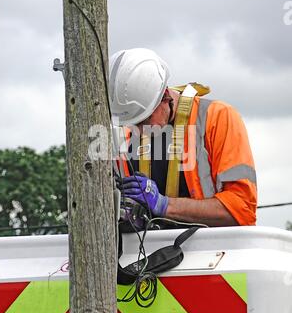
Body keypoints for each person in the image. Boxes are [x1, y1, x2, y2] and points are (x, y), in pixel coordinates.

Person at [109, 48, 257, 226]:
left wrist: (164, 205)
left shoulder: (217, 118)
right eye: (132, 123)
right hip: (148, 250)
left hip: (213, 249)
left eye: (145, 119)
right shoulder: (124, 139)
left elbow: (242, 209)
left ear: (165, 96)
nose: (140, 131)